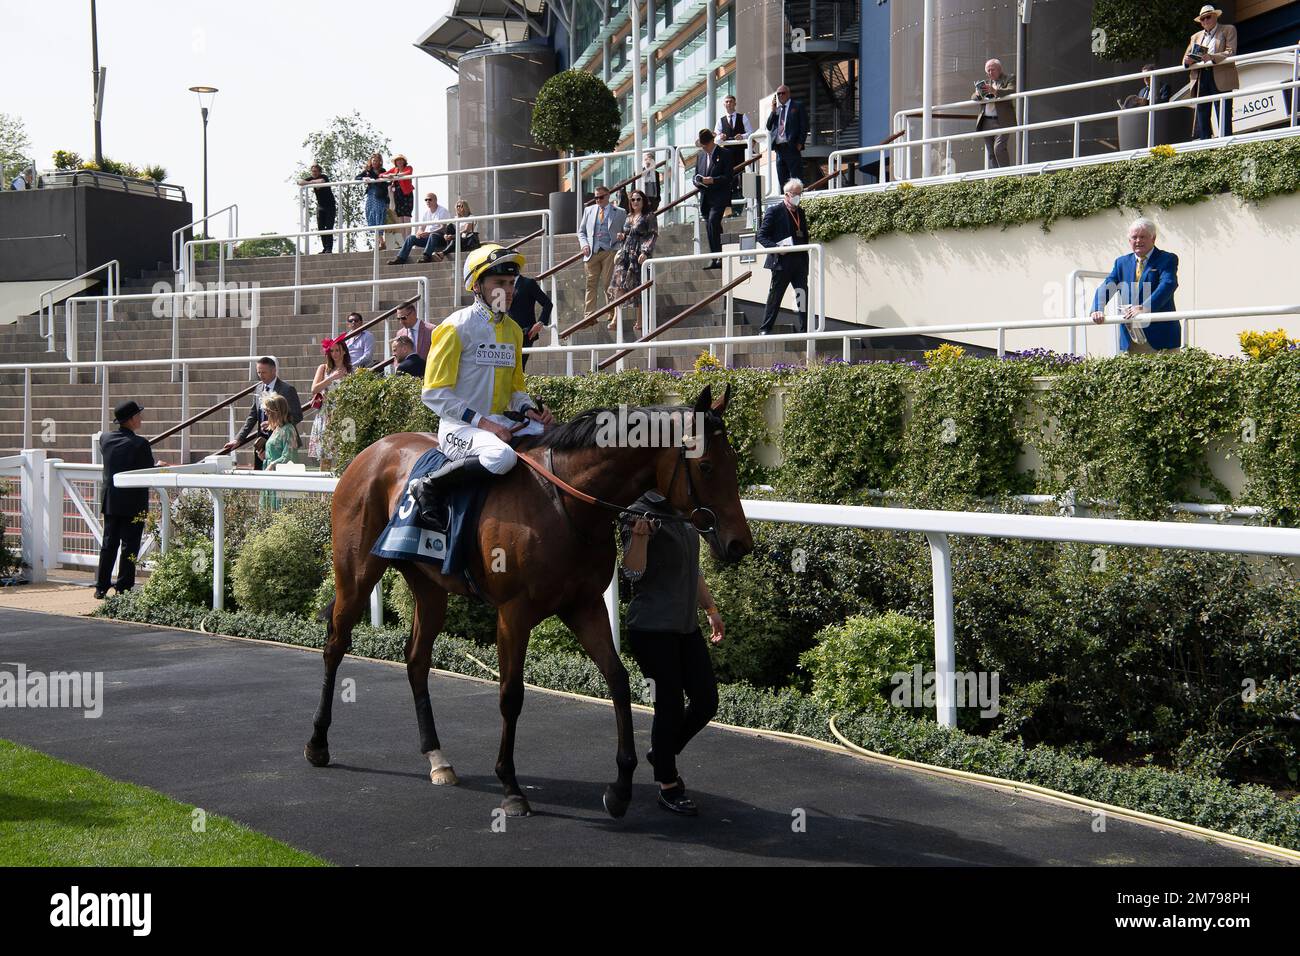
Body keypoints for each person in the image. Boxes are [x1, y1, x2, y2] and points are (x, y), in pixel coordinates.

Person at [412, 244, 554, 511]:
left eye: (512, 283)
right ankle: (429, 485)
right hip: (459, 429)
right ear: (476, 286)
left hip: (498, 423)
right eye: (500, 282)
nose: (509, 290)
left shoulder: (513, 330)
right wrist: (484, 424)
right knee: (501, 457)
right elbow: (433, 393)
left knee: (555, 437)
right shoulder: (455, 327)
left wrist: (529, 409)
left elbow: (515, 389)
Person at [619, 495, 725, 816]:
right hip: (651, 628)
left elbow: (693, 569)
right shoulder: (635, 511)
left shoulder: (683, 509)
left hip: (684, 626)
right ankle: (667, 783)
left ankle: (661, 751)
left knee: (707, 701)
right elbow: (632, 573)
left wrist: (710, 609)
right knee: (670, 704)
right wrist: (639, 537)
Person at [95, 401, 163, 599]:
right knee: (129, 546)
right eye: (138, 415)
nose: (140, 418)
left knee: (109, 544)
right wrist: (159, 466)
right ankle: (123, 587)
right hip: (133, 502)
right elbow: (146, 470)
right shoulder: (140, 443)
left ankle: (101, 586)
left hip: (111, 500)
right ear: (132, 419)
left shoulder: (105, 439)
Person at [1089, 217, 1180, 353]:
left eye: (1143, 237)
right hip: (1131, 339)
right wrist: (1097, 308)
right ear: (1129, 240)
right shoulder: (1121, 262)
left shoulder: (1166, 259)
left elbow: (1168, 285)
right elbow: (1108, 285)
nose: (1138, 241)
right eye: (1134, 237)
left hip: (1161, 338)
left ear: (1153, 238)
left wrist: (1145, 307)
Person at [221, 357, 303, 467]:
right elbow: (252, 417)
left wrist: (274, 423)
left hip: (281, 442)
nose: (261, 375)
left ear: (274, 371)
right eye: (259, 372)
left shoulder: (287, 389)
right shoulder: (258, 388)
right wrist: (238, 439)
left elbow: (297, 415)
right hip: (263, 443)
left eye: (264, 372)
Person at [757, 178, 810, 335]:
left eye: (800, 194)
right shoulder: (774, 211)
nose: (798, 197)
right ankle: (765, 329)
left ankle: (804, 329)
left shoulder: (801, 213)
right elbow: (761, 235)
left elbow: (804, 236)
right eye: (795, 194)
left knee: (801, 294)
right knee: (775, 295)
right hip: (781, 261)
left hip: (799, 261)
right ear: (787, 194)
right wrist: (777, 248)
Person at [608, 189, 658, 334]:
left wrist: (645, 252)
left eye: (638, 199)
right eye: (633, 200)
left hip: (637, 254)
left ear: (643, 201)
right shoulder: (629, 216)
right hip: (625, 254)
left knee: (636, 286)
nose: (635, 202)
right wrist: (622, 236)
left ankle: (640, 320)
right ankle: (616, 319)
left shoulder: (649, 216)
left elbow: (653, 235)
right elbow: (628, 233)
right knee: (619, 284)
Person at [1184, 6, 1238, 140]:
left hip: (1220, 74)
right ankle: (1206, 146)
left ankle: (1226, 144)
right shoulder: (1195, 36)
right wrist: (1188, 61)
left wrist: (1212, 57)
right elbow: (1185, 58)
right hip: (1201, 76)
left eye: (1208, 17)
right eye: (1202, 19)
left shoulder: (1228, 29)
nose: (1205, 20)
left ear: (1215, 16)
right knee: (1202, 113)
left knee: (1223, 111)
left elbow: (1231, 52)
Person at [578, 185, 627, 316]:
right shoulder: (588, 210)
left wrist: (622, 237)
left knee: (607, 284)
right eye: (596, 198)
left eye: (601, 197)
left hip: (610, 251)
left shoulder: (620, 212)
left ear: (608, 196)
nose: (598, 200)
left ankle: (611, 313)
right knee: (591, 284)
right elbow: (581, 232)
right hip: (591, 252)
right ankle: (589, 316)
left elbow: (626, 231)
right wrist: (584, 245)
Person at [309, 336, 354, 465]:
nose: (334, 354)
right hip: (326, 414)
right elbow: (314, 389)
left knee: (346, 455)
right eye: (332, 351)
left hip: (345, 414)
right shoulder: (323, 368)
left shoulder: (352, 370)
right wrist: (331, 378)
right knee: (325, 456)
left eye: (337, 350)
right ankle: (323, 484)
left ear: (344, 351)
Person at [693, 129, 733, 270]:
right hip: (705, 196)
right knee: (710, 226)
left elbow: (728, 177)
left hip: (719, 196)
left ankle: (719, 256)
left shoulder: (724, 154)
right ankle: (716, 256)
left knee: (713, 222)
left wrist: (713, 180)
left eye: (705, 144)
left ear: (711, 142)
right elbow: (696, 174)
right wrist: (698, 181)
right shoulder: (701, 156)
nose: (703, 147)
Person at [257, 392, 300, 510]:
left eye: (267, 411)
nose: (265, 414)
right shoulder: (277, 428)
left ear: (275, 412)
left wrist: (272, 464)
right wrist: (265, 457)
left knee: (277, 510)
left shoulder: (288, 429)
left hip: (280, 478)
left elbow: (288, 456)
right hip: (271, 475)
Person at [973, 59, 1016, 169]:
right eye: (988, 71)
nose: (990, 73)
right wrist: (978, 93)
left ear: (999, 69)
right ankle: (995, 178)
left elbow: (1011, 90)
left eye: (993, 70)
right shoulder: (986, 83)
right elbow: (973, 97)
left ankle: (1006, 176)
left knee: (999, 148)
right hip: (986, 121)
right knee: (991, 152)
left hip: (1002, 120)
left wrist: (995, 91)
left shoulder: (1009, 78)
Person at [388, 192, 452, 264]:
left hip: (440, 238)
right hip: (429, 238)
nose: (428, 201)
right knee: (410, 238)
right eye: (426, 200)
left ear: (435, 200)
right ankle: (401, 258)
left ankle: (426, 257)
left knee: (433, 235)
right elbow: (421, 228)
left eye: (430, 199)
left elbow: (444, 228)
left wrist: (429, 233)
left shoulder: (442, 211)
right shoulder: (426, 213)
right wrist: (419, 233)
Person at [507, 272, 554, 369]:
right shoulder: (503, 284)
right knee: (508, 367)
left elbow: (547, 304)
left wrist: (540, 323)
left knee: (519, 366)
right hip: (507, 332)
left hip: (526, 332)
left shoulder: (528, 283)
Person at [765, 85, 808, 190]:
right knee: (782, 178)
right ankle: (785, 202)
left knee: (796, 178)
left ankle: (798, 200)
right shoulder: (777, 109)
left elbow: (804, 126)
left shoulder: (797, 106)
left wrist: (800, 143)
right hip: (779, 148)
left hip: (792, 146)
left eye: (783, 93)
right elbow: (769, 126)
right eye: (778, 94)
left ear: (788, 94)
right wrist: (773, 111)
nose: (780, 95)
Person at [715, 94, 752, 204]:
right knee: (730, 179)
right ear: (724, 104)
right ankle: (731, 204)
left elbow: (750, 133)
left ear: (735, 103)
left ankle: (745, 202)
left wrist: (742, 136)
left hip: (741, 152)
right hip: (727, 155)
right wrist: (720, 137)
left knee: (743, 176)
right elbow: (715, 138)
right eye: (726, 102)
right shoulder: (720, 121)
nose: (729, 103)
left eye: (731, 101)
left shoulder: (743, 117)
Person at [300, 164, 337, 253]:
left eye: (316, 171)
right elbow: (299, 181)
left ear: (319, 171)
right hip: (320, 206)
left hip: (330, 206)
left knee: (329, 227)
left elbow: (321, 181)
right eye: (312, 171)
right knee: (320, 228)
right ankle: (325, 248)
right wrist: (311, 182)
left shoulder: (324, 176)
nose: (314, 173)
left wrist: (309, 183)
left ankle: (329, 248)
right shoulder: (311, 178)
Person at [357, 153, 391, 251]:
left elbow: (386, 181)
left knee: (379, 217)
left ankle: (381, 242)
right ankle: (381, 242)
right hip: (371, 196)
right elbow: (357, 177)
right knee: (371, 216)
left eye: (376, 161)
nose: (374, 162)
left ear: (380, 162)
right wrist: (364, 178)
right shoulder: (368, 171)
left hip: (380, 197)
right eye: (373, 161)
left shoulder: (383, 171)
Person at [387, 154, 415, 229]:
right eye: (397, 160)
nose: (399, 161)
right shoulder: (394, 169)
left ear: (404, 161)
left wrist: (395, 175)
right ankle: (404, 240)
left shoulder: (408, 167)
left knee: (406, 217)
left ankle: (407, 239)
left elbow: (408, 172)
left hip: (407, 195)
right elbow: (381, 174)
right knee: (400, 219)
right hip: (398, 195)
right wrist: (388, 176)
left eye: (401, 160)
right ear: (395, 162)